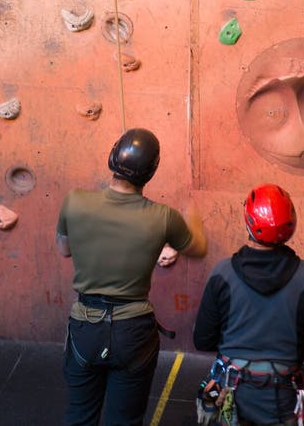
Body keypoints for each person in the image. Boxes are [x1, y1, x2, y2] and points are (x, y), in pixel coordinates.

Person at [56, 127, 207, 426]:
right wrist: (194, 218)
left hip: (86, 326)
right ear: (151, 171)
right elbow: (198, 249)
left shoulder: (74, 201)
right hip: (133, 331)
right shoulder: (165, 217)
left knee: (79, 416)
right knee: (125, 421)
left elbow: (64, 249)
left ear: (112, 158)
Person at [193, 184, 304, 426]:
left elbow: (203, 340)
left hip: (231, 394)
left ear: (248, 221)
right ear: (291, 223)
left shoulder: (222, 274)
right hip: (281, 398)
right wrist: (293, 344)